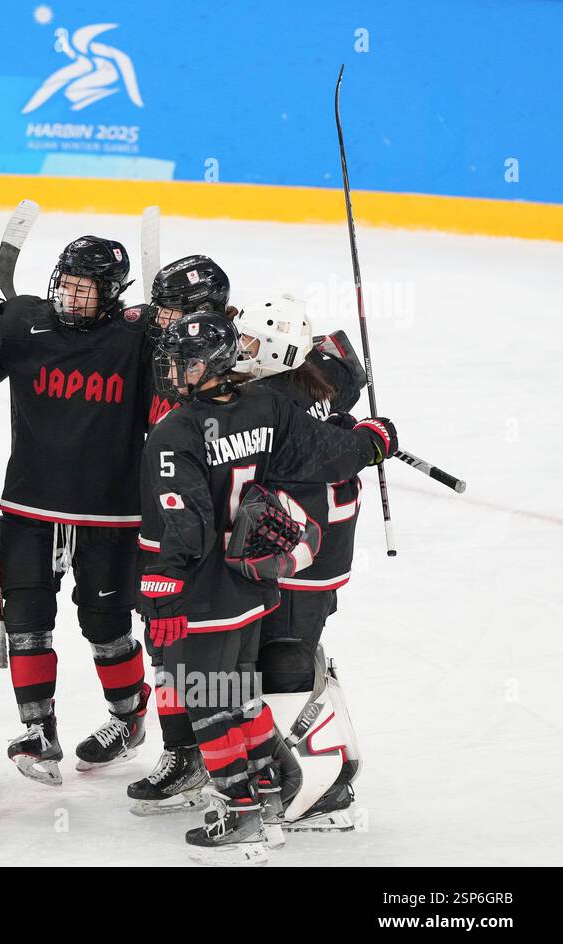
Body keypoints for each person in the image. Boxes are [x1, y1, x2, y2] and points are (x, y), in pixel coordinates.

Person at [137, 311, 399, 865]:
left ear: (207, 365)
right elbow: (324, 453)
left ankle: (243, 815)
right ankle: (278, 783)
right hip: (253, 590)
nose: (169, 369)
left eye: (180, 361)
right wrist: (368, 446)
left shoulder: (175, 432)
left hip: (205, 592)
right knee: (238, 692)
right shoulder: (268, 406)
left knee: (207, 697)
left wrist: (162, 593)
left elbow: (187, 526)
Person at [0, 205, 151, 785]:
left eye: (85, 291)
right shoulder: (26, 323)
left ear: (112, 295)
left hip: (110, 513)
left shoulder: (136, 337)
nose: (70, 298)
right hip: (30, 507)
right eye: (65, 285)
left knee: (106, 624)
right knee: (27, 620)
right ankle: (39, 730)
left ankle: (129, 715)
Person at [235, 295, 369, 832]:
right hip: (321, 545)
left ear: (275, 350)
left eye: (248, 342)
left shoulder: (267, 402)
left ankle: (314, 789)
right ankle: (336, 763)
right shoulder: (319, 376)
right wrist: (364, 433)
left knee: (284, 656)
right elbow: (344, 361)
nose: (237, 350)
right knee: (298, 649)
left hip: (299, 553)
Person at [124, 254, 234, 812]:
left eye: (171, 312)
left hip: (225, 544)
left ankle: (244, 767)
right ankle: (184, 755)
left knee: (228, 657)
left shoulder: (242, 361)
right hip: (162, 533)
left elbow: (332, 381)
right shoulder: (160, 352)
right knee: (164, 650)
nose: (160, 322)